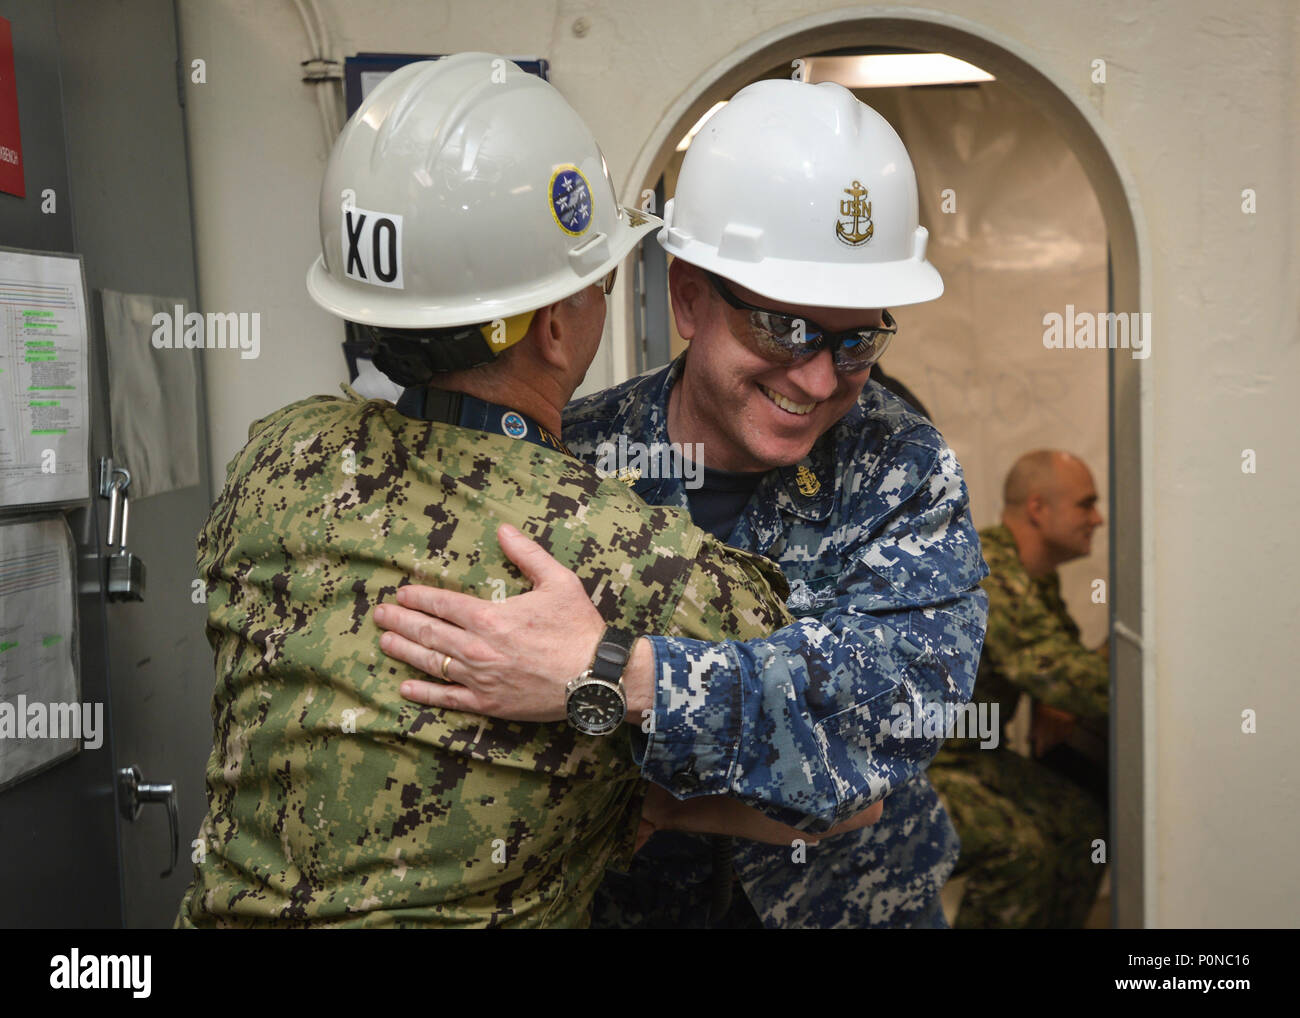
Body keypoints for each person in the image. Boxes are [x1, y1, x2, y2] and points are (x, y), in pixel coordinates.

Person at [176, 54, 877, 930]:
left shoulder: (276, 466)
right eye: (600, 282)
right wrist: (634, 767)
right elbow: (849, 788)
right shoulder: (630, 560)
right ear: (555, 326)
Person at [374, 79, 989, 928]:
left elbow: (889, 721)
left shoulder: (903, 464)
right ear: (691, 297)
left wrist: (617, 677)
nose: (818, 380)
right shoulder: (573, 457)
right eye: (785, 327)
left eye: (856, 341)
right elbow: (490, 709)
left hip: (858, 906)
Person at [928, 449, 1109, 928]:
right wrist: (1170, 687)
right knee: (1021, 852)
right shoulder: (994, 572)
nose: (1099, 519)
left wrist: (1059, 688)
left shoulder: (1035, 578)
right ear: (1037, 509)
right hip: (922, 764)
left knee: (1081, 823)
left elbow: (1060, 662)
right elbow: (1071, 679)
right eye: (1086, 505)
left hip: (975, 755)